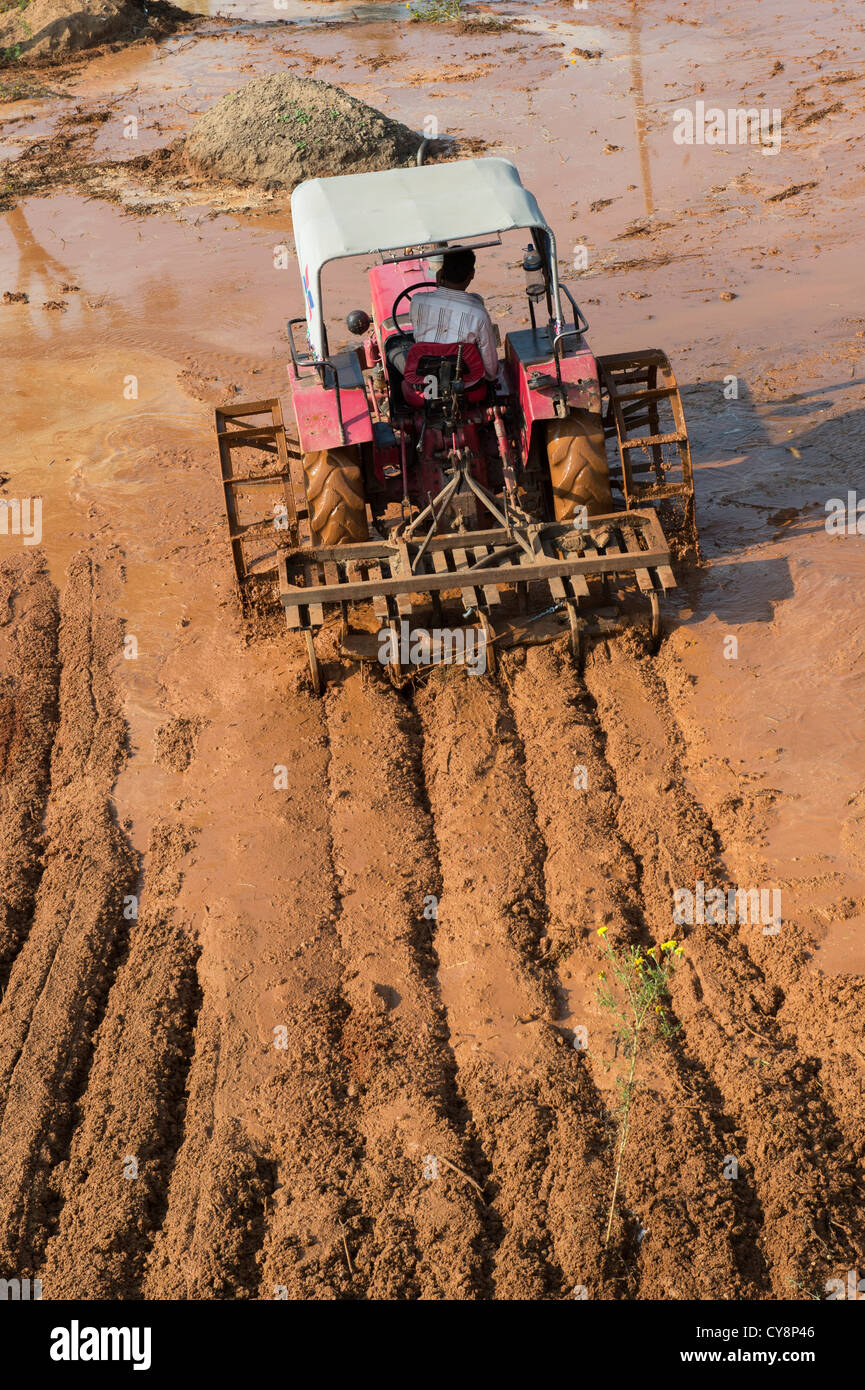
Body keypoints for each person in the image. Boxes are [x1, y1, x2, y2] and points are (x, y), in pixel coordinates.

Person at [408, 247, 499, 381]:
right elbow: (489, 362)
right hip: (467, 382)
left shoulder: (417, 300)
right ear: (472, 274)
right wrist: (491, 377)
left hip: (425, 379)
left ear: (441, 272)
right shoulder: (478, 313)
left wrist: (439, 284)